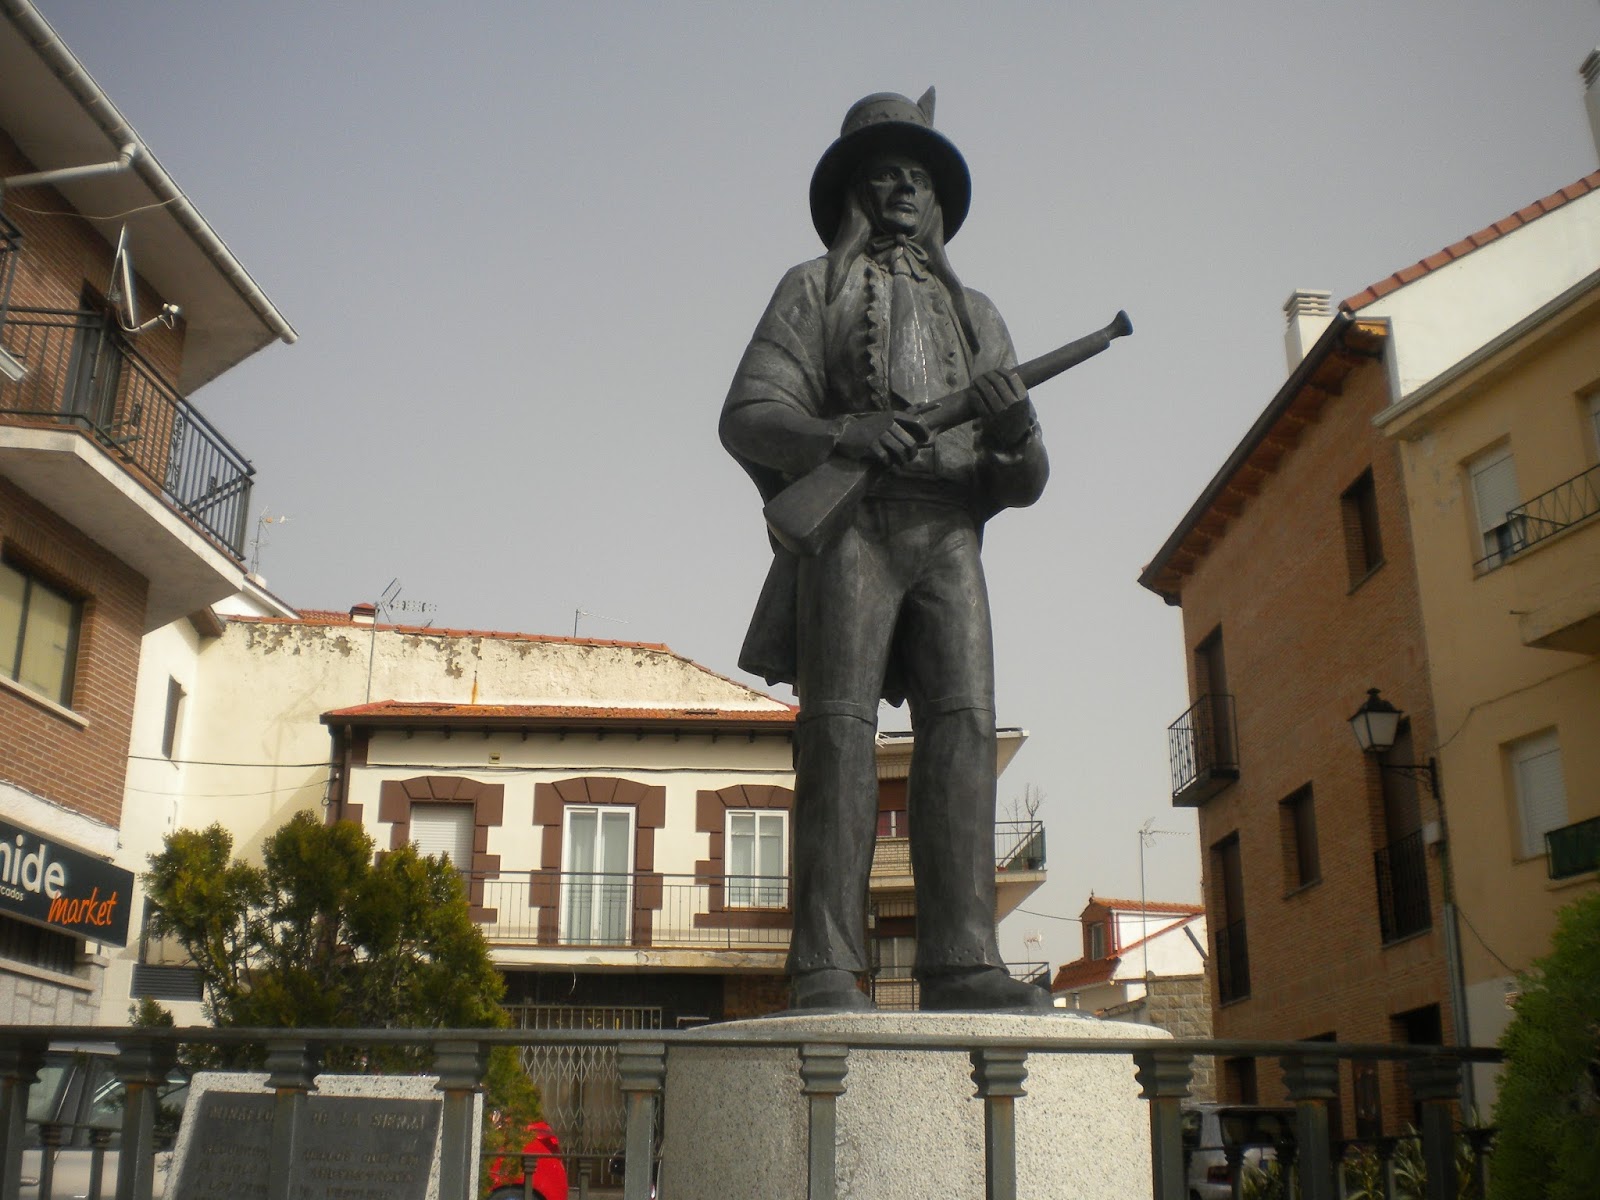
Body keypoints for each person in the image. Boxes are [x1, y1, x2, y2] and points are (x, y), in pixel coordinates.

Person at [720, 89, 1053, 1013]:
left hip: (951, 534)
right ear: (855, 194)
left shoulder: (977, 312)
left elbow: (1025, 477)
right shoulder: (810, 289)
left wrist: (1017, 424)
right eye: (886, 173)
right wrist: (846, 436)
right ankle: (825, 961)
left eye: (920, 175)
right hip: (853, 531)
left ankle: (961, 958)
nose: (905, 187)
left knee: (965, 726)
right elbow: (749, 413)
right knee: (836, 732)